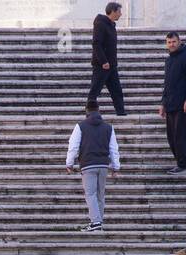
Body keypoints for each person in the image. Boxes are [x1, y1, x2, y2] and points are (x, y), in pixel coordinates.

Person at [66, 103, 121, 231]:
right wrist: (115, 167)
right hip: (103, 165)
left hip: (88, 164)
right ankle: (98, 222)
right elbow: (114, 149)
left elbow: (73, 146)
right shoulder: (108, 127)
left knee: (90, 194)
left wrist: (69, 163)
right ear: (98, 110)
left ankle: (96, 222)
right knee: (100, 195)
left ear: (86, 111)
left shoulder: (80, 126)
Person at [159, 31, 186, 174]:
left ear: (179, 41)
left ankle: (184, 166)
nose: (171, 44)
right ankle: (180, 163)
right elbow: (167, 84)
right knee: (171, 138)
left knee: (180, 136)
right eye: (169, 42)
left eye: (174, 42)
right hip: (170, 105)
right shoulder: (168, 61)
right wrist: (163, 103)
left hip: (182, 105)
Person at [88, 3, 126, 117]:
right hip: (102, 65)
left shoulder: (111, 25)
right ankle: (89, 114)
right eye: (119, 11)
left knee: (117, 90)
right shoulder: (101, 23)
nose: (121, 14)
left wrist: (111, 63)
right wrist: (103, 61)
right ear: (113, 11)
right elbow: (96, 44)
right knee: (95, 90)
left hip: (112, 65)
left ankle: (121, 113)